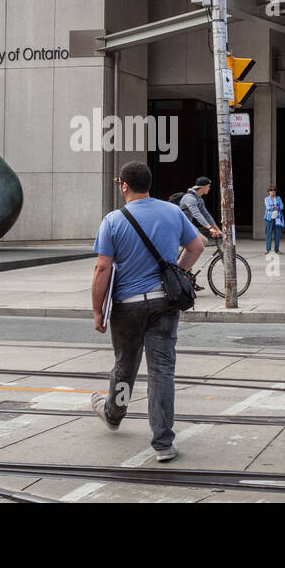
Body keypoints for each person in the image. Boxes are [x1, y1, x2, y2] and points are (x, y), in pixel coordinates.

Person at [90, 161, 204, 462]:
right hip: (165, 303)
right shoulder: (172, 212)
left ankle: (114, 414)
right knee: (162, 371)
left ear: (124, 186)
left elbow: (102, 268)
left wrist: (97, 311)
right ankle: (163, 443)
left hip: (127, 307)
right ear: (148, 184)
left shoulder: (113, 220)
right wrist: (175, 273)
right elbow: (197, 246)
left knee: (125, 367)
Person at [263, 185, 285, 254]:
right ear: (269, 192)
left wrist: (275, 207)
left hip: (277, 219)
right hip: (269, 219)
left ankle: (277, 249)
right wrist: (275, 207)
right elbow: (268, 208)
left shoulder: (278, 198)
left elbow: (282, 206)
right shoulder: (266, 199)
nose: (273, 192)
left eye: (274, 190)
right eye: (271, 190)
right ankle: (268, 249)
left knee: (277, 234)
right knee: (268, 234)